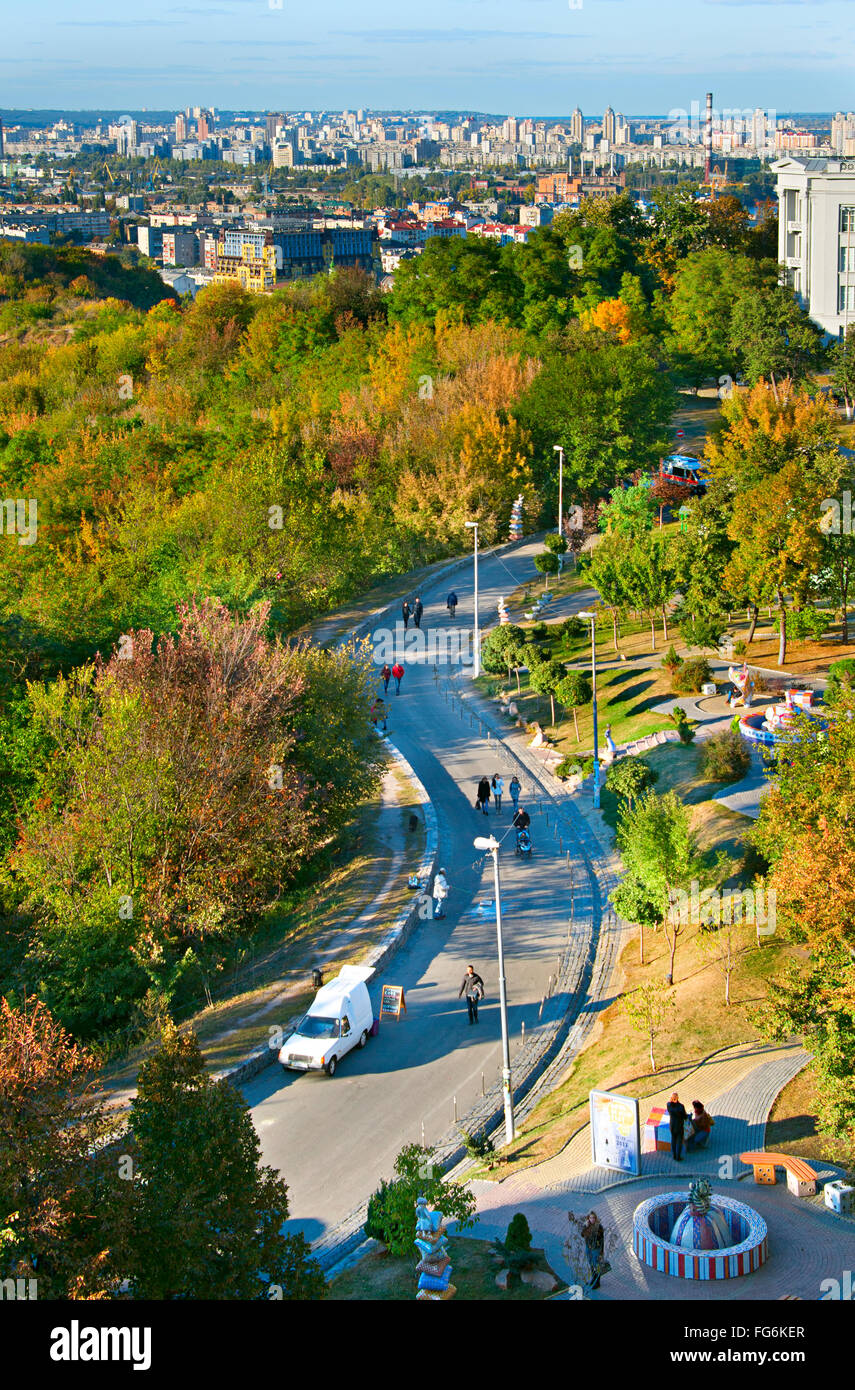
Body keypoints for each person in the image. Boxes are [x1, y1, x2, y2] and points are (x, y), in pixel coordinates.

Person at [582, 1211, 606, 1291]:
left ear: (595, 1218)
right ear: (588, 1218)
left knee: (596, 1264)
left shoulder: (599, 1227)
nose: (592, 1219)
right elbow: (582, 1234)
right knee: (591, 1263)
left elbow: (602, 1239)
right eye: (590, 1218)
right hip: (588, 1247)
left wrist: (602, 1251)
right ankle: (593, 1277)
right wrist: (586, 1227)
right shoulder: (587, 1225)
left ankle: (597, 1281)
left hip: (596, 1248)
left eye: (593, 1218)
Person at [667, 1092, 688, 1162]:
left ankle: (674, 1155)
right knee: (679, 1141)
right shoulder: (681, 1106)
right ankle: (678, 1156)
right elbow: (685, 1116)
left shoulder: (668, 1105)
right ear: (677, 1098)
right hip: (679, 1126)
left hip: (672, 1125)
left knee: (673, 1140)